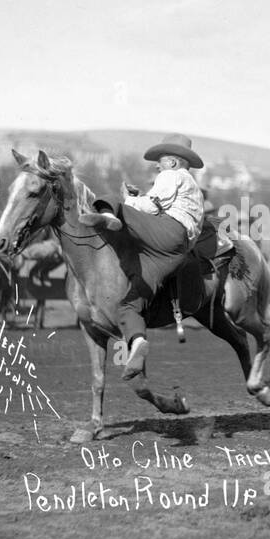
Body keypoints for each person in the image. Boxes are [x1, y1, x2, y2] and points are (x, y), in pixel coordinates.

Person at [77, 133, 206, 378]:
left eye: (161, 160)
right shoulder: (194, 188)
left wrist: (127, 200)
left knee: (112, 199)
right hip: (173, 252)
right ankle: (137, 343)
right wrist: (137, 199)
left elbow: (151, 207)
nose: (157, 165)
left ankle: (108, 214)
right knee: (128, 305)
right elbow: (153, 206)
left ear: (174, 162)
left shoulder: (172, 175)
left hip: (168, 233)